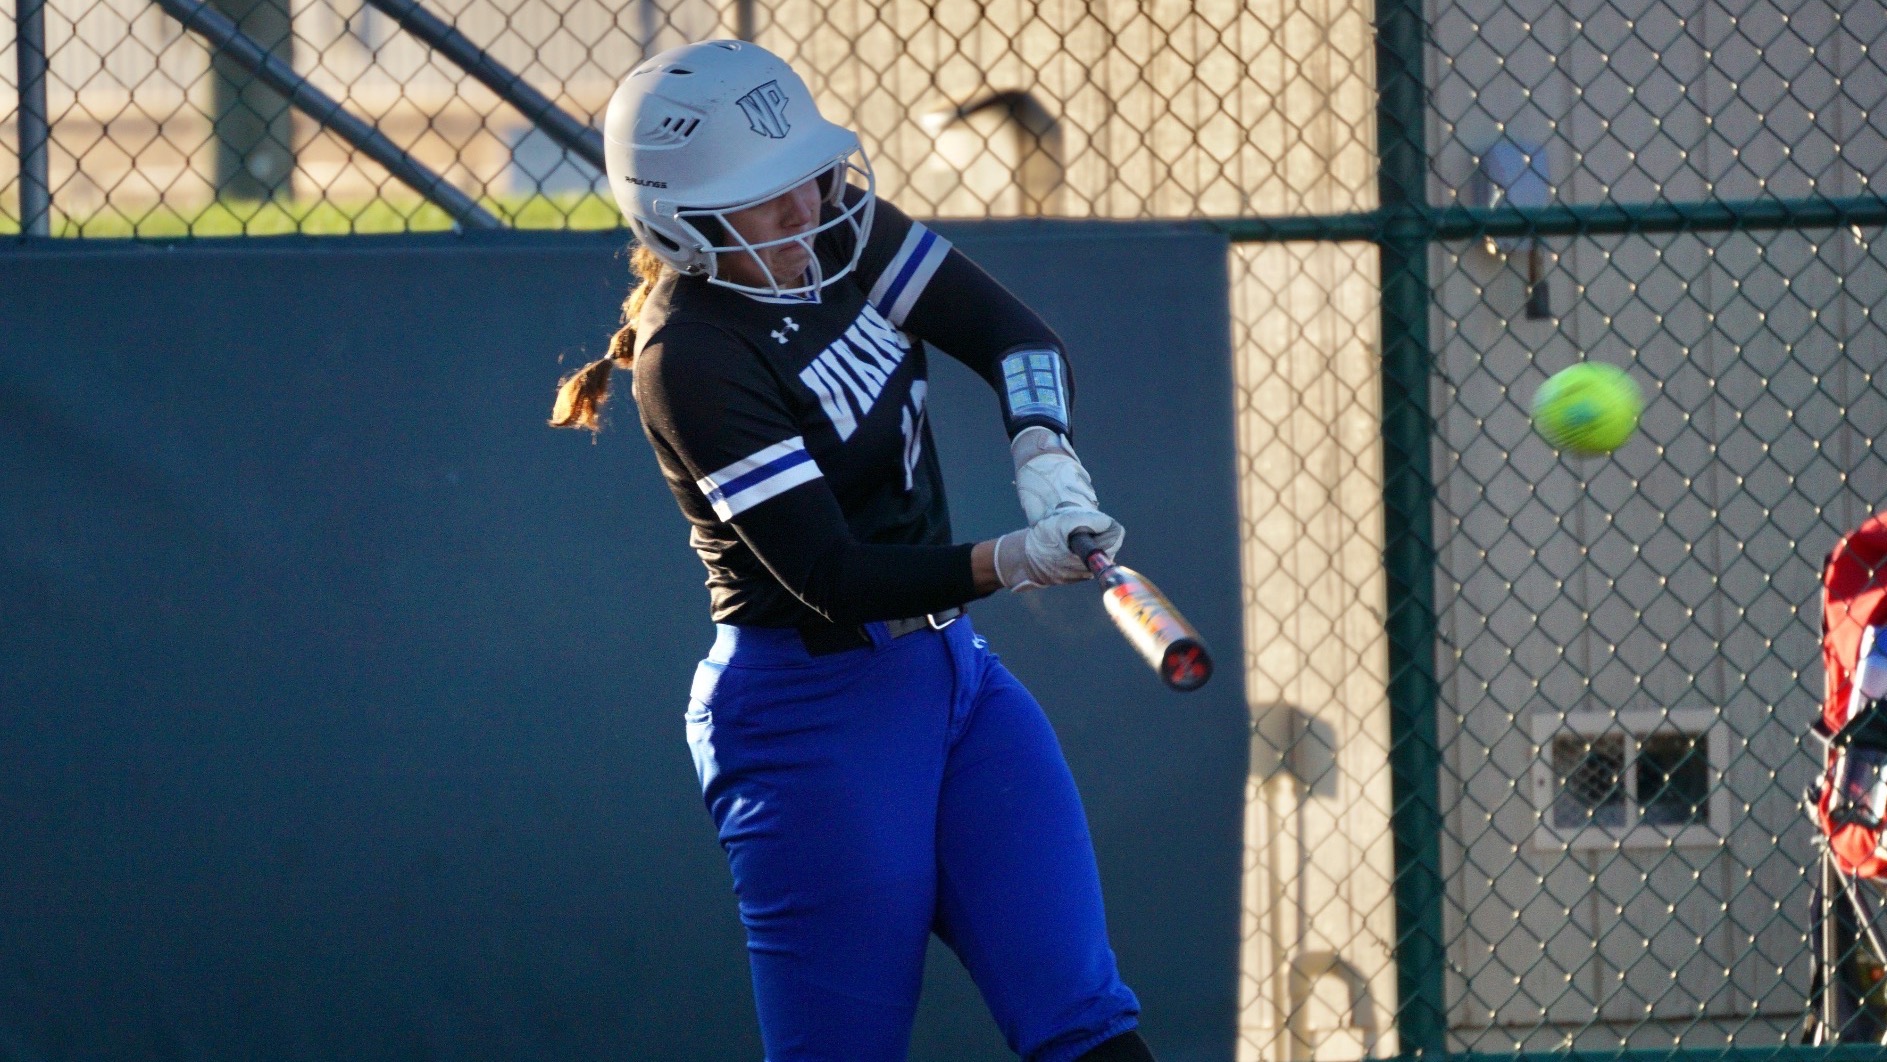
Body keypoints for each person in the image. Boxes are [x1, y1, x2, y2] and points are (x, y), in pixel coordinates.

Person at [549, 39, 1156, 1062]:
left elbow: (1017, 338)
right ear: (678, 222)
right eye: (764, 196)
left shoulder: (839, 231)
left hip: (956, 683)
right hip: (808, 721)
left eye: (807, 176)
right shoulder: (690, 353)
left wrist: (1043, 448)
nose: (805, 208)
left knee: (1086, 1020)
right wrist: (1014, 559)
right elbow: (829, 579)